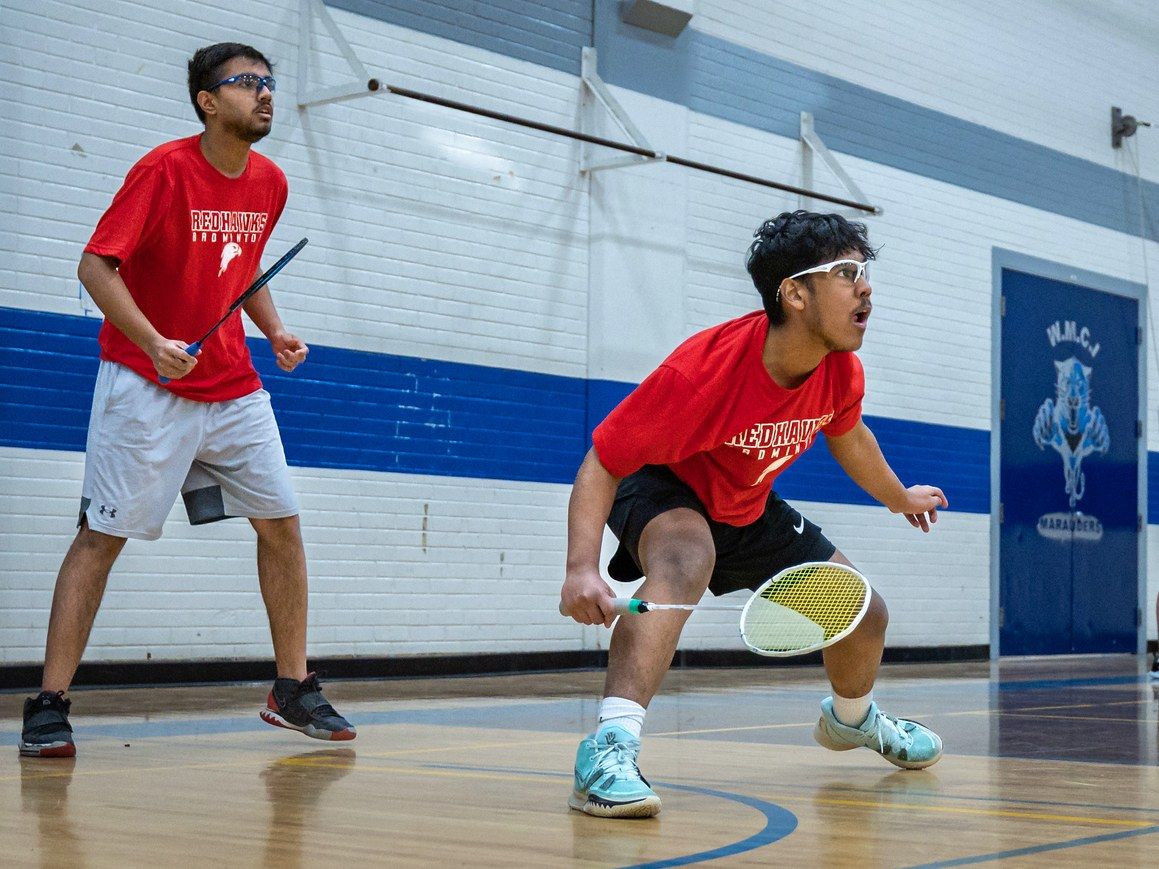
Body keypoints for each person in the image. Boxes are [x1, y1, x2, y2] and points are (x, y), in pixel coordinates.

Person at [19, 43, 355, 758]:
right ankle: (49, 703)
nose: (265, 95)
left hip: (232, 384)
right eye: (247, 84)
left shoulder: (268, 180)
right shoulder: (163, 169)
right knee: (101, 538)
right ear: (207, 101)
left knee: (282, 526)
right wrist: (149, 340)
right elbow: (95, 264)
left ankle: (290, 686)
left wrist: (274, 329)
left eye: (269, 83)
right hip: (148, 383)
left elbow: (245, 262)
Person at [559, 210, 948, 818]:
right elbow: (603, 461)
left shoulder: (839, 369)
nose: (865, 286)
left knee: (864, 612)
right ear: (794, 293)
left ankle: (852, 721)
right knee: (688, 557)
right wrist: (582, 569)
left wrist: (900, 498)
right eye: (847, 273)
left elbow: (848, 437)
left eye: (864, 272)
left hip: (744, 503)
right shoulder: (701, 374)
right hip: (662, 485)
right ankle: (608, 748)